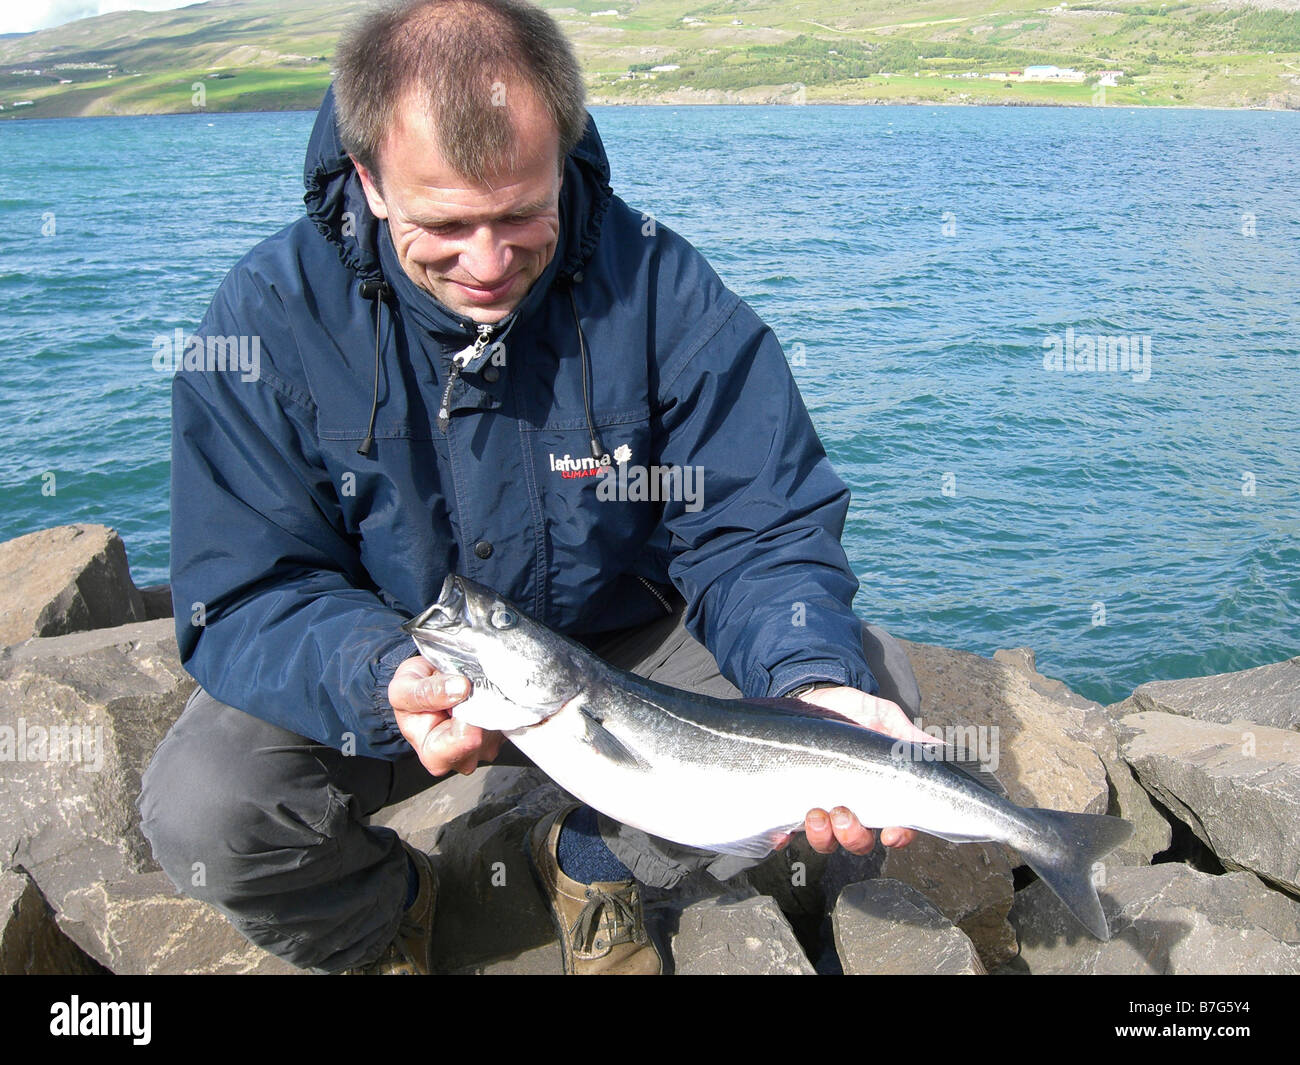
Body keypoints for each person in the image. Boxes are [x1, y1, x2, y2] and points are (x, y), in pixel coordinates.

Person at [139, 0, 930, 976]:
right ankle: (381, 918)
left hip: (621, 659)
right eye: (446, 222)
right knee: (209, 808)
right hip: (405, 662)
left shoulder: (663, 290)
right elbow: (249, 588)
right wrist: (378, 676)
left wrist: (809, 677)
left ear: (561, 157)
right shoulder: (262, 319)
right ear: (369, 181)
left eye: (519, 214)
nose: (486, 262)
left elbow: (758, 527)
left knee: (860, 691)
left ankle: (595, 863)